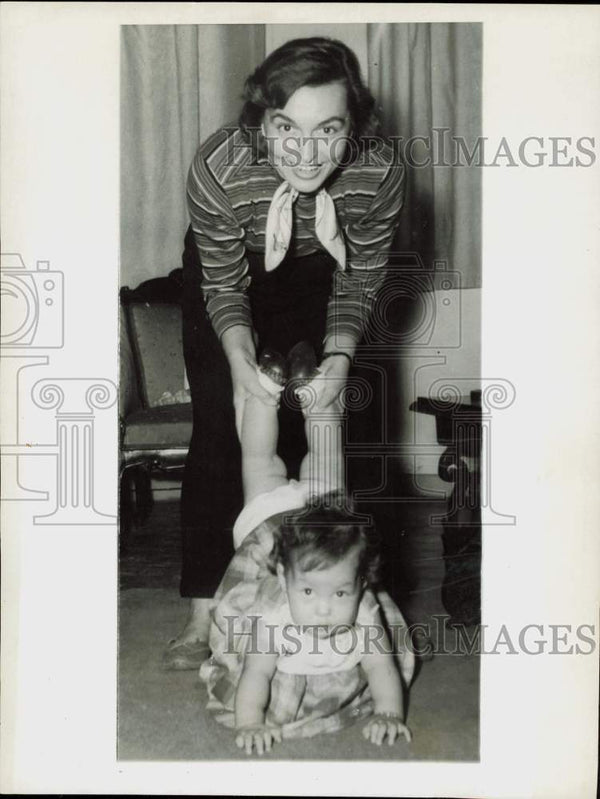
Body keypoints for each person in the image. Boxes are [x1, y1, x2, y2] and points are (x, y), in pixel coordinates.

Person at [163, 36, 405, 669]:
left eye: (328, 130)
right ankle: (204, 610)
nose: (305, 151)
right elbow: (223, 285)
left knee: (323, 419)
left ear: (355, 127)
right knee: (222, 425)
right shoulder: (219, 165)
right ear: (260, 123)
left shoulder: (379, 172)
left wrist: (340, 356)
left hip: (322, 269)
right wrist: (237, 358)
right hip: (230, 267)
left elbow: (360, 279)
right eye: (285, 127)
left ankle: (327, 598)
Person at [200, 349, 414, 751]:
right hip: (271, 522)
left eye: (341, 593)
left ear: (361, 584)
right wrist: (250, 723)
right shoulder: (272, 619)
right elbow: (256, 674)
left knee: (286, 462)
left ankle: (285, 390)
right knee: (269, 462)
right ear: (283, 580)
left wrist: (389, 713)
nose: (323, 608)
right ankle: (287, 394)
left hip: (324, 521)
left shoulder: (365, 613)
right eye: (309, 592)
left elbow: (381, 667)